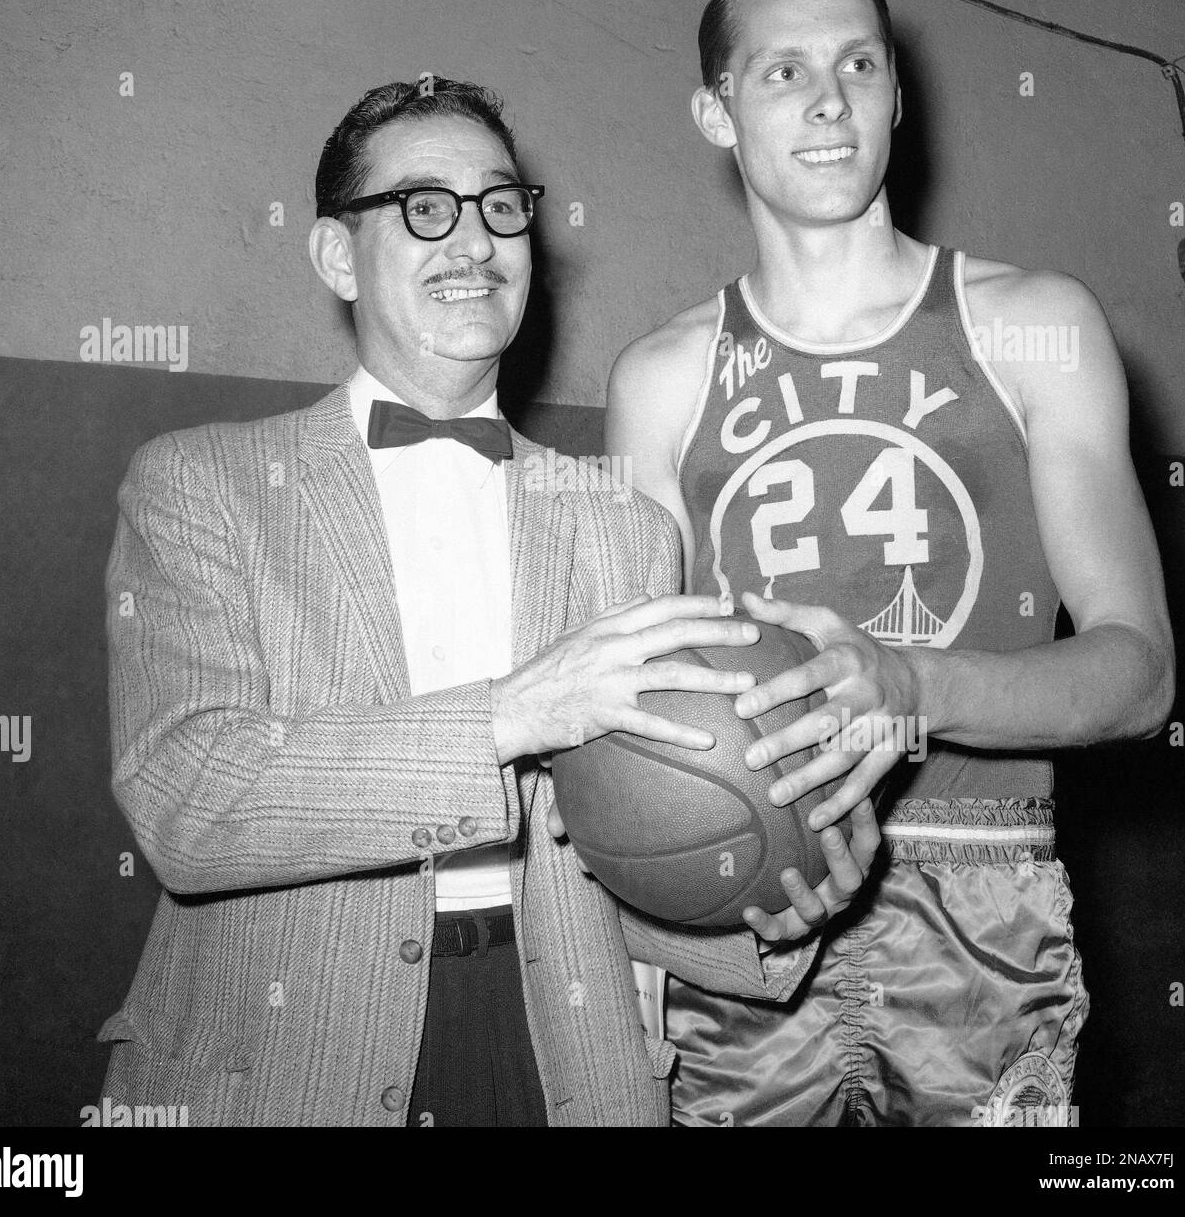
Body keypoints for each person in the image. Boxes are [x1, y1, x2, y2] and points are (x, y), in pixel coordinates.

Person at [96, 75, 875, 1127]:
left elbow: (620, 864)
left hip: (557, 1057)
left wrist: (773, 895)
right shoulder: (200, 485)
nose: (473, 240)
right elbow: (187, 799)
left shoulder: (625, 527)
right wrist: (513, 712)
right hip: (281, 1066)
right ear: (335, 254)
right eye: (423, 207)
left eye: (500, 206)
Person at [607, 0, 1174, 1127]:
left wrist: (903, 682)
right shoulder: (661, 377)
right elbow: (637, 703)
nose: (827, 98)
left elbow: (1136, 674)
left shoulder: (1031, 323)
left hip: (982, 895)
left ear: (895, 95)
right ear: (715, 110)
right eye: (782, 72)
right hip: (743, 905)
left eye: (857, 63)